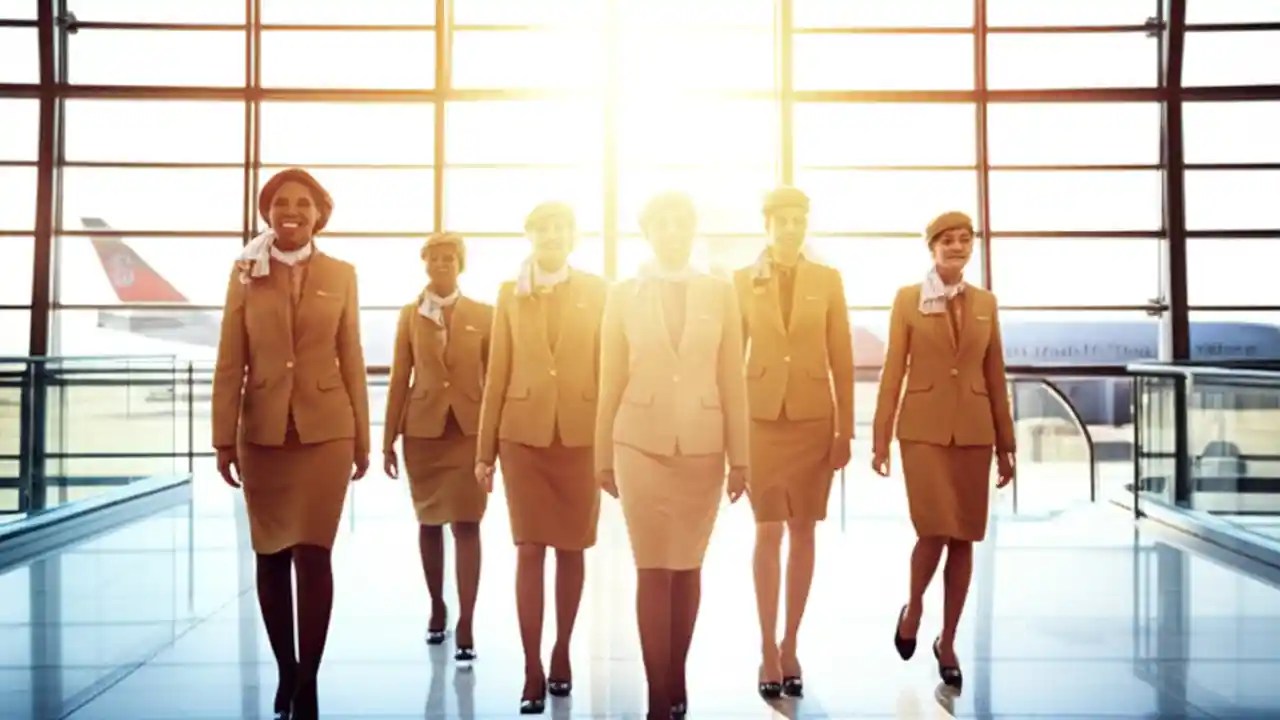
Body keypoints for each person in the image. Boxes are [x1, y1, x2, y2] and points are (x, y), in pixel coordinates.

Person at [212, 167, 370, 720]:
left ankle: (309, 681)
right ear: (268, 211)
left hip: (328, 430)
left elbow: (351, 355)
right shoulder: (244, 273)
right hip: (262, 431)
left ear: (318, 214)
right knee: (271, 553)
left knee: (314, 552)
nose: (292, 211)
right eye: (282, 202)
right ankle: (285, 668)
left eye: (303, 203)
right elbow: (231, 358)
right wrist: (221, 440)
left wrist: (364, 439)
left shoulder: (342, 274)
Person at [595, 191, 750, 719]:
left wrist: (742, 456)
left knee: (687, 568)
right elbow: (609, 376)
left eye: (681, 221)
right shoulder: (622, 295)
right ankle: (657, 695)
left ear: (692, 228)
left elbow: (732, 375)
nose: (672, 230)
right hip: (638, 442)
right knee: (652, 568)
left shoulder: (720, 292)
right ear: (648, 231)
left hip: (704, 446)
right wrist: (601, 454)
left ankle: (677, 672)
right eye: (662, 223)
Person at [871, 210, 1016, 693]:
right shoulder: (908, 300)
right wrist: (879, 436)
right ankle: (913, 608)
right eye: (948, 240)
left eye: (965, 239)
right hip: (922, 432)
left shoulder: (986, 303)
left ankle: (948, 641)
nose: (958, 247)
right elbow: (893, 369)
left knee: (964, 538)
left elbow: (995, 375)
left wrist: (1007, 444)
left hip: (975, 434)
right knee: (933, 530)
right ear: (931, 247)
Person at [475, 202, 607, 714]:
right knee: (529, 549)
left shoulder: (597, 291)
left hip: (580, 436)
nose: (552, 235)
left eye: (560, 227)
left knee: (572, 549)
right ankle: (531, 665)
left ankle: (561, 651)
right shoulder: (510, 294)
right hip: (522, 438)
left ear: (573, 235)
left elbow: (607, 368)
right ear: (529, 234)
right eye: (542, 227)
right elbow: (497, 374)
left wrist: (611, 446)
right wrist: (484, 450)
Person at [733, 186, 853, 699]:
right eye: (781, 220)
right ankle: (764, 646)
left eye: (798, 219)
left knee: (804, 530)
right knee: (767, 531)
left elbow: (841, 358)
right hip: (759, 421)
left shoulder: (827, 280)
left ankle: (790, 644)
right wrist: (730, 439)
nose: (790, 227)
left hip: (811, 421)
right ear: (767, 224)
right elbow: (727, 362)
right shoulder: (740, 281)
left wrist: (844, 429)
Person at [383, 232, 492, 665]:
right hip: (423, 431)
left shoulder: (485, 314)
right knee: (429, 521)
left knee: (467, 524)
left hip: (469, 432)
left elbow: (497, 377)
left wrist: (494, 438)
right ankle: (436, 606)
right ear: (425, 264)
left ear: (460, 263)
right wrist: (388, 436)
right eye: (435, 258)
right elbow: (399, 378)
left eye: (450, 258)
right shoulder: (411, 316)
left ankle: (467, 619)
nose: (442, 264)